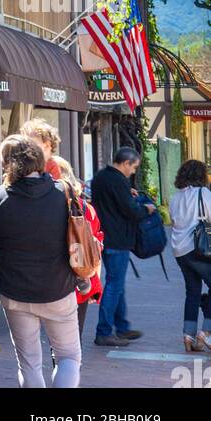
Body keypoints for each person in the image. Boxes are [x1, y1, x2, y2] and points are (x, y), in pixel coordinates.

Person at [0, 134, 82, 388]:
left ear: (7, 164)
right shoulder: (63, 192)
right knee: (68, 356)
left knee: (28, 363)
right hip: (58, 289)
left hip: (15, 292)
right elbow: (78, 237)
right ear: (38, 160)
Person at [90, 147, 155, 348]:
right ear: (126, 163)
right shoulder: (118, 180)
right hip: (118, 239)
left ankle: (122, 326)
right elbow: (131, 211)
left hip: (104, 237)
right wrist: (146, 208)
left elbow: (113, 201)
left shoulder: (100, 177)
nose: (133, 171)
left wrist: (128, 194)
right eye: (133, 167)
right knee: (114, 285)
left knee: (116, 284)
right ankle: (104, 331)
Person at [169, 159, 211, 353]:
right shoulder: (204, 193)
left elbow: (174, 220)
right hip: (200, 250)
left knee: (192, 292)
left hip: (180, 251)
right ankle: (206, 331)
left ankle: (188, 335)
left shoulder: (176, 197)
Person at [59, 162, 105, 339]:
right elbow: (97, 243)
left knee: (59, 340)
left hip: (54, 281)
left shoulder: (42, 208)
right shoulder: (86, 209)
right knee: (73, 339)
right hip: (80, 281)